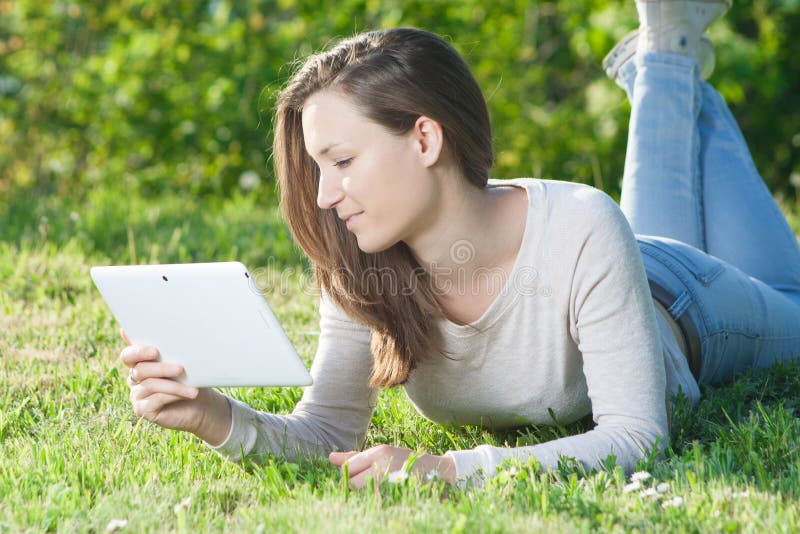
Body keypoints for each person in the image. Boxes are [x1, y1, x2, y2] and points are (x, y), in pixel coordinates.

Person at [119, 0, 800, 489]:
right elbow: (327, 434)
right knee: (662, 187)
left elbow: (637, 436)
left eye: (343, 161)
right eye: (317, 168)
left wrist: (451, 470)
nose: (324, 195)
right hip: (619, 259)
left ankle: (666, 55)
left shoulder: (582, 224)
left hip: (684, 303)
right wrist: (212, 415)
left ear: (425, 139)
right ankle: (669, 49)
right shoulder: (360, 266)